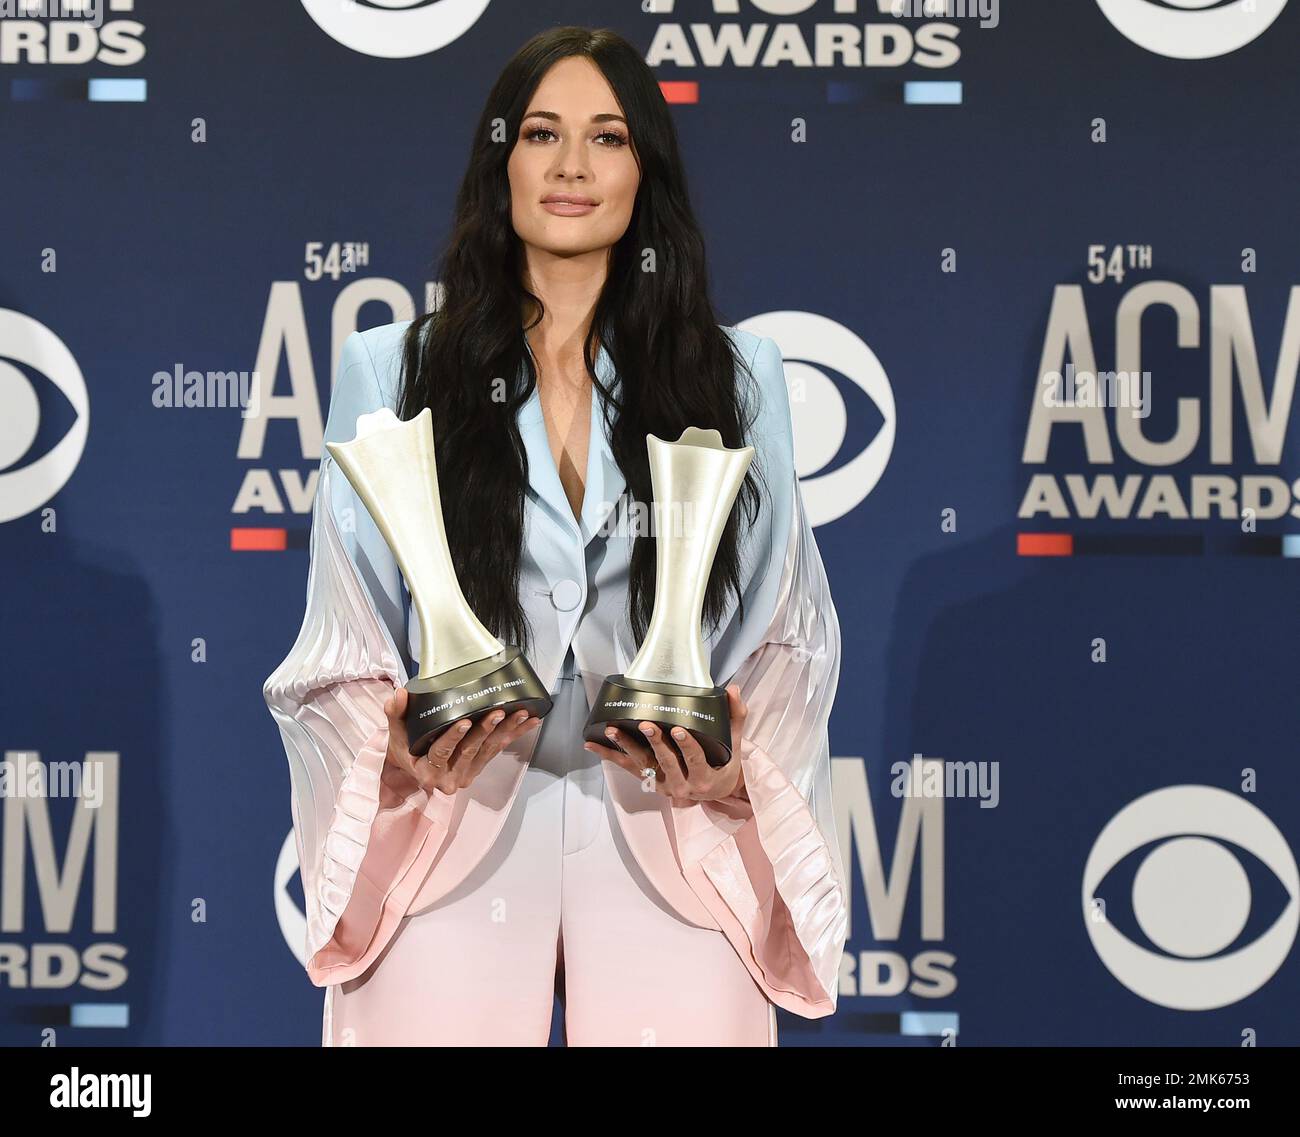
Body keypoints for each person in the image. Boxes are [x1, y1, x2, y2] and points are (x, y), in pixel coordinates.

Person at [263, 25, 847, 1047]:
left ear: (645, 171)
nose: (571, 166)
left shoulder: (737, 377)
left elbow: (780, 634)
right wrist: (395, 755)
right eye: (541, 134)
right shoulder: (392, 371)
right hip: (456, 828)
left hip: (670, 828)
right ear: (501, 164)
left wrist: (735, 766)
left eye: (607, 137)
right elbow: (346, 633)